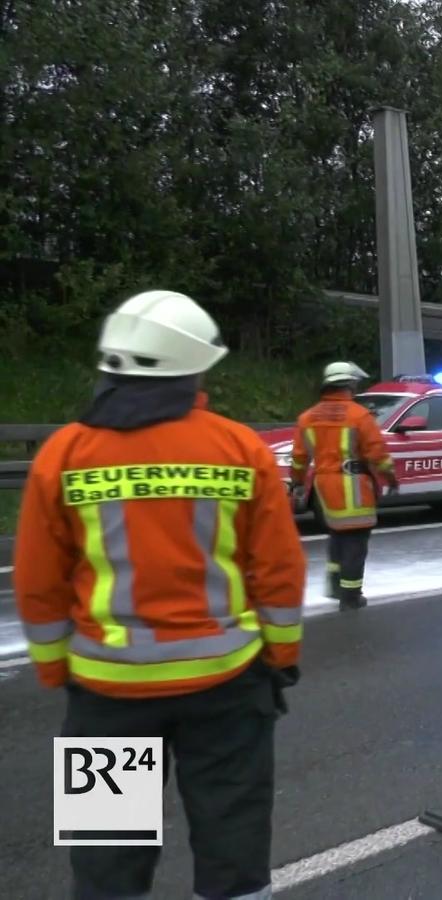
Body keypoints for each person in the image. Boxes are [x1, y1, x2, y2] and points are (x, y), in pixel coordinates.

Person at [15, 290, 306, 900]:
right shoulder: (239, 448)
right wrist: (279, 658)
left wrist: (54, 669)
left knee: (107, 861)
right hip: (226, 689)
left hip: (107, 698)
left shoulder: (63, 454)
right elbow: (277, 569)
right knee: (233, 848)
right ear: (194, 367)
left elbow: (39, 580)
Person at [292, 361, 399, 610]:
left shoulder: (307, 417)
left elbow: (299, 458)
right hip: (354, 487)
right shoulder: (358, 415)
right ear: (350, 384)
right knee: (355, 542)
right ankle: (350, 597)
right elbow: (377, 453)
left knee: (338, 535)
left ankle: (335, 586)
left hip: (323, 488)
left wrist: (297, 484)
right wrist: (390, 478)